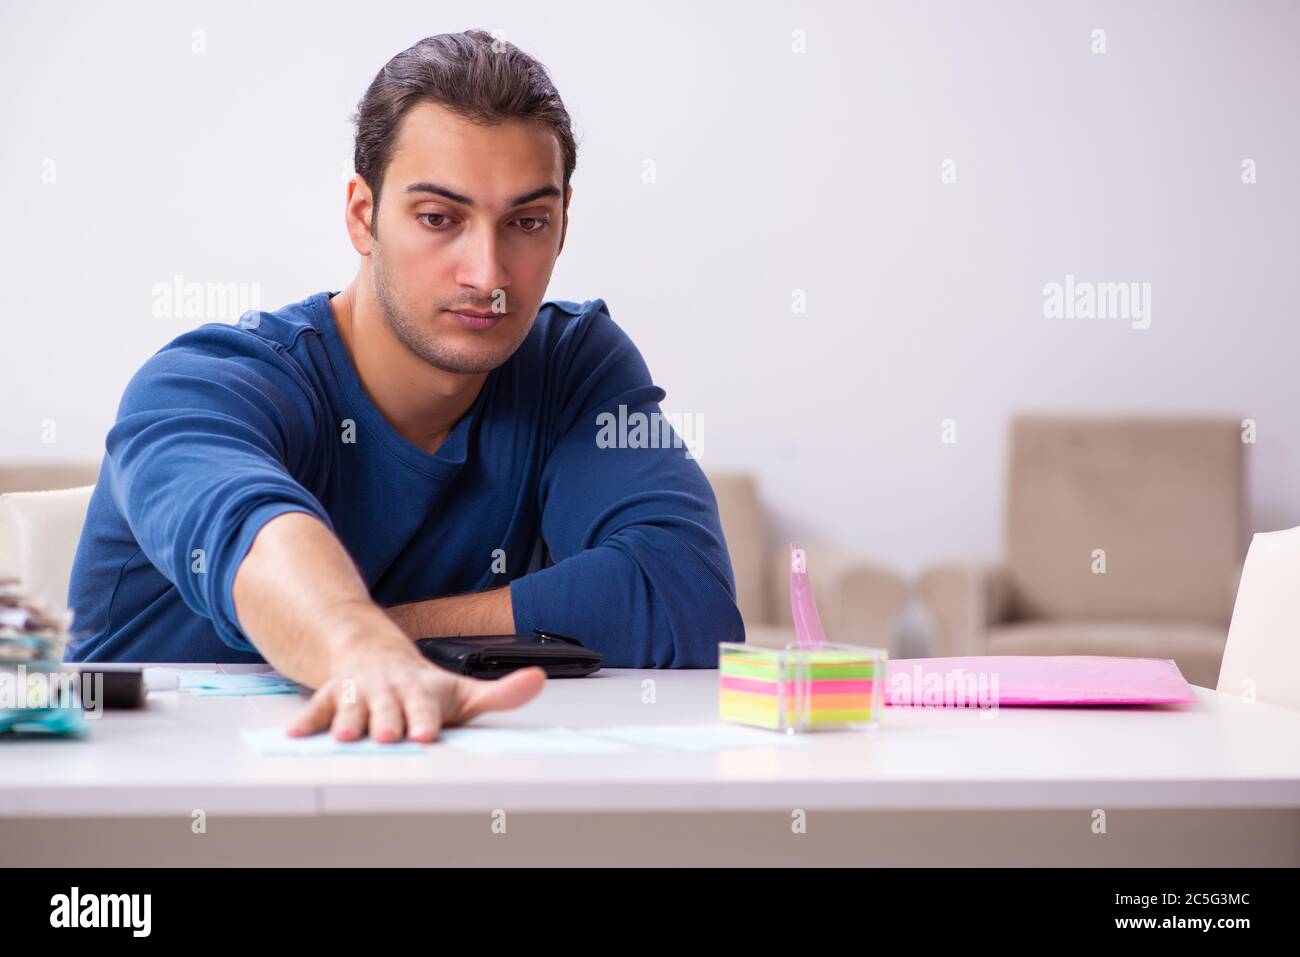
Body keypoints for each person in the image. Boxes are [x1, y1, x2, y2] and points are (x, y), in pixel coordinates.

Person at [65, 30, 743, 742]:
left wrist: (386, 638)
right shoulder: (204, 386)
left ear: (564, 221)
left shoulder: (571, 367)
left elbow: (684, 596)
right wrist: (355, 646)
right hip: (154, 808)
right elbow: (259, 535)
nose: (487, 274)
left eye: (526, 222)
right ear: (363, 215)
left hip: (427, 797)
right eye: (438, 219)